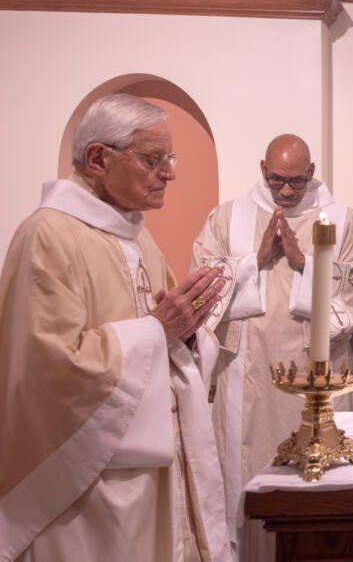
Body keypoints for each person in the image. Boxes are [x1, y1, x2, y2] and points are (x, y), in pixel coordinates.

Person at [0, 94, 233, 561]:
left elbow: (168, 333)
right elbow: (48, 370)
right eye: (153, 159)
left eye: (169, 159)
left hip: (152, 475)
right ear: (98, 158)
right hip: (88, 490)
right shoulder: (47, 235)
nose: (168, 173)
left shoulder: (138, 238)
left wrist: (188, 333)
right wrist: (158, 331)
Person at [190, 134, 353, 560]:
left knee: (319, 489)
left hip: (317, 375)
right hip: (245, 378)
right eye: (276, 180)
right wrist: (254, 261)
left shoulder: (346, 221)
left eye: (296, 181)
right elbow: (202, 287)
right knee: (245, 476)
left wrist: (302, 262)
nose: (286, 191)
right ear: (262, 170)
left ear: (311, 173)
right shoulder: (227, 218)